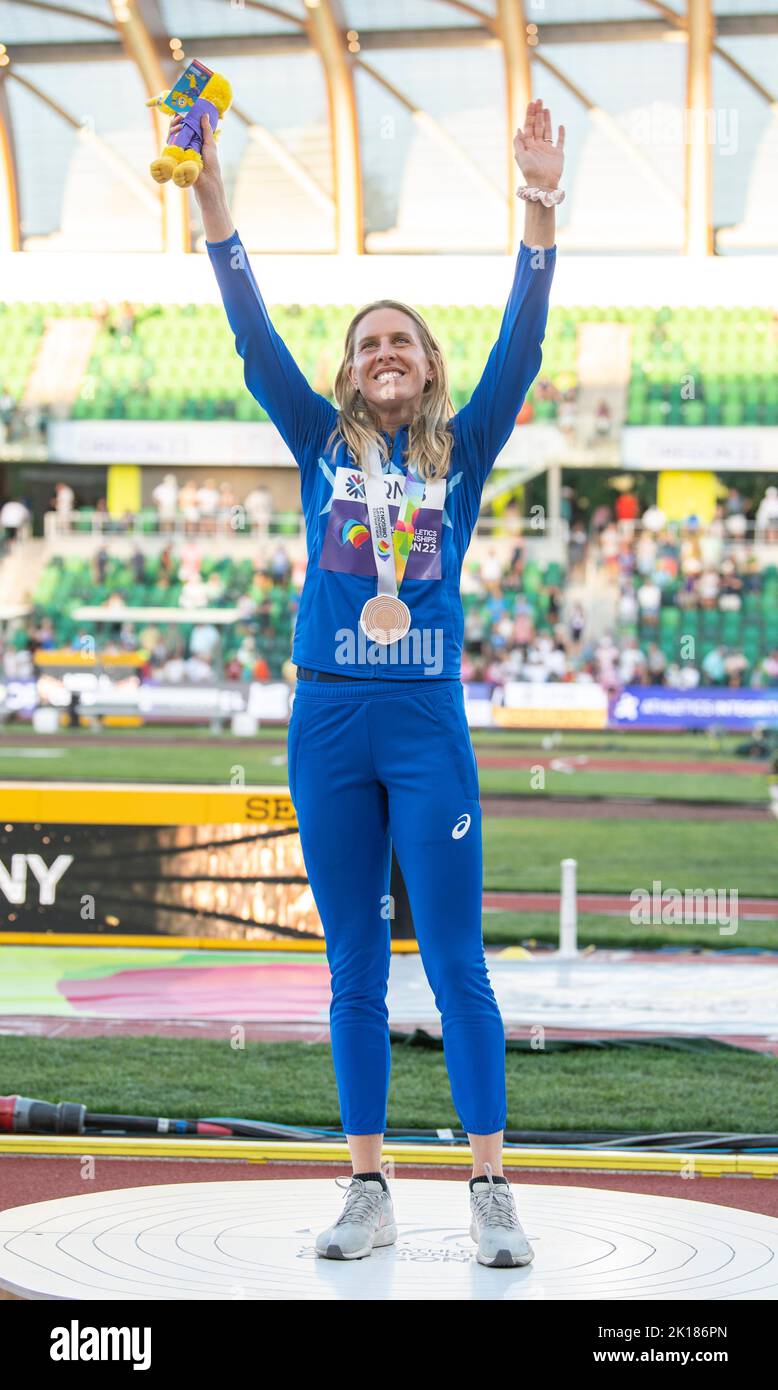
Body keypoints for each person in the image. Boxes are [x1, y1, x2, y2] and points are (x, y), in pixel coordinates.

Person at [178, 95, 563, 1269]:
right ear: (350, 372)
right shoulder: (317, 444)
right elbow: (250, 333)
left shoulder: (472, 443)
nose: (384, 353)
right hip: (328, 713)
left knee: (455, 961)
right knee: (350, 962)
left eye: (402, 339)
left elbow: (527, 344)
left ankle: (491, 1188)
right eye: (367, 342)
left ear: (426, 366)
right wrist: (207, 188)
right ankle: (367, 1187)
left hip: (424, 719)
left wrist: (538, 210)